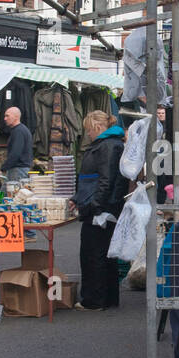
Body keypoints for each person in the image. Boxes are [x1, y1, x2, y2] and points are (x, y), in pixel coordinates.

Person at [72, 111, 128, 311]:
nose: (87, 134)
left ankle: (94, 300)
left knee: (93, 255)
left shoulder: (107, 146)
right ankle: (108, 298)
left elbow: (106, 179)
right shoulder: (112, 144)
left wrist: (95, 206)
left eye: (88, 129)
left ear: (96, 127)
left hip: (100, 209)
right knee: (105, 255)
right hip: (104, 206)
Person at [2, 106, 32, 184]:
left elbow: (15, 153)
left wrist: (2, 168)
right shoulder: (19, 130)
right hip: (18, 170)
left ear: (16, 117)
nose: (5, 119)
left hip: (18, 170)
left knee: (12, 194)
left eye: (7, 116)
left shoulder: (19, 131)